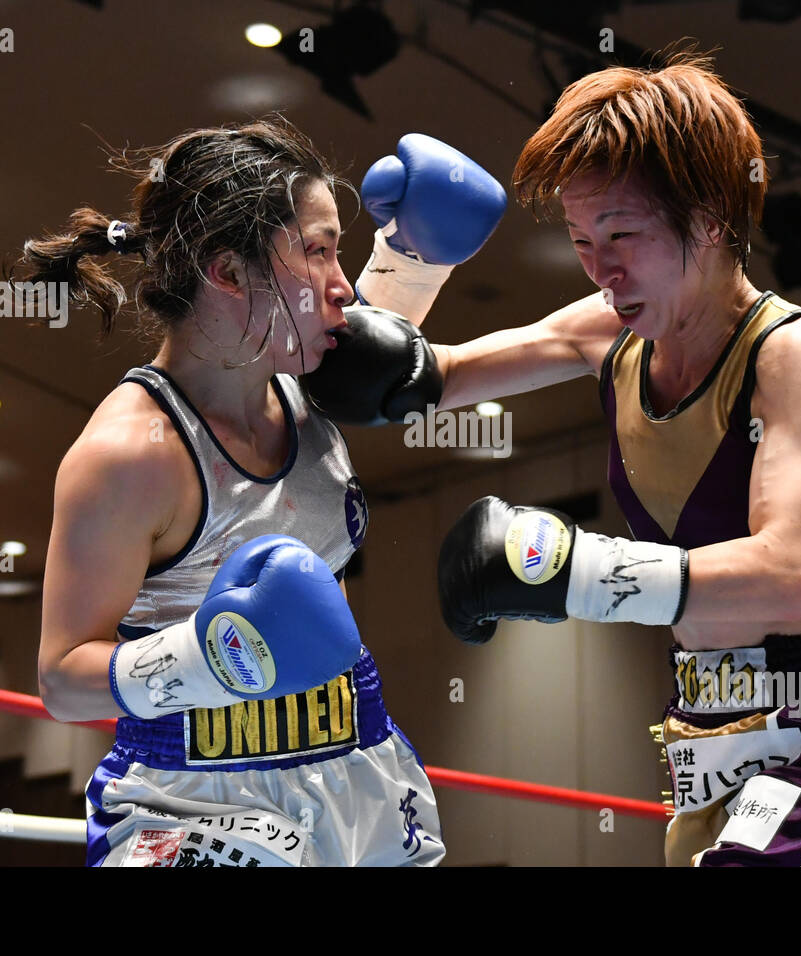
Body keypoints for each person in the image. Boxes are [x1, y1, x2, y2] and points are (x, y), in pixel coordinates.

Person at [313, 49, 801, 867]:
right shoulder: (609, 330)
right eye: (579, 240)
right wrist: (403, 265)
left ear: (709, 218)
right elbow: (412, 381)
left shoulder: (797, 353)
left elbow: (787, 566)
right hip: (700, 728)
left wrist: (571, 571)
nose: (601, 268)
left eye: (622, 235)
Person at [28, 118, 502, 867]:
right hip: (198, 797)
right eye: (318, 250)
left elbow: (412, 338)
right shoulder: (128, 455)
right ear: (225, 272)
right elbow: (62, 682)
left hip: (357, 761)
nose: (342, 282)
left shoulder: (310, 369)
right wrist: (212, 658)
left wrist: (413, 258)